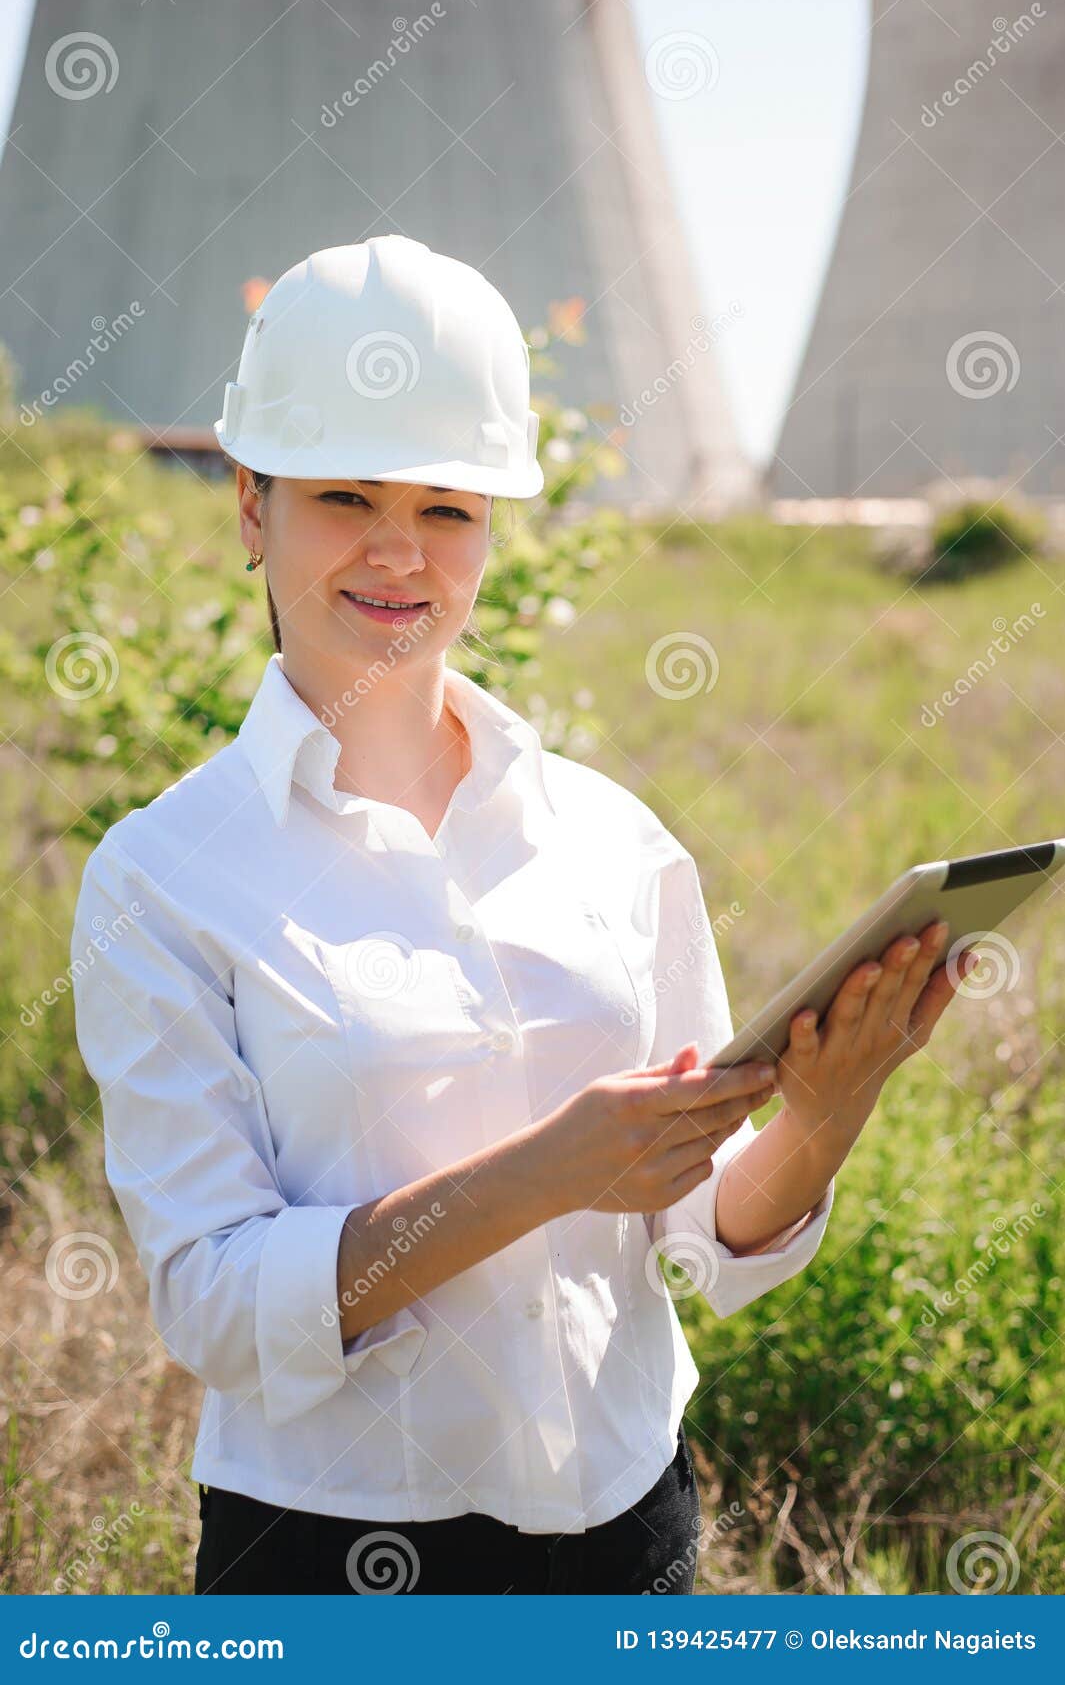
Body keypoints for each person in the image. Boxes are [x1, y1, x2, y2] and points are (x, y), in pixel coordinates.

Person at [69, 235, 979, 1596]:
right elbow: (215, 1305)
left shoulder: (611, 839)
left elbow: (702, 1239)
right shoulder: (162, 877)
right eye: (344, 496)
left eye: (447, 506)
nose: (397, 551)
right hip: (335, 1566)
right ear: (248, 504)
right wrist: (542, 1175)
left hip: (630, 1530)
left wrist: (826, 1111)